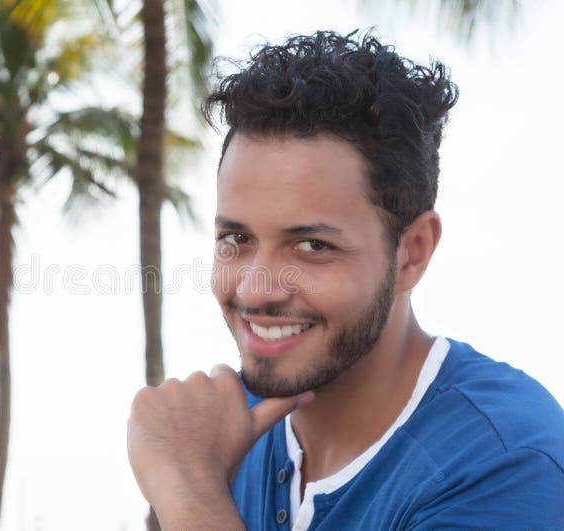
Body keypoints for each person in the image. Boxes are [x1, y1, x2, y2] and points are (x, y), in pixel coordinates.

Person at [126, 30, 564, 530]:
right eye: (237, 239)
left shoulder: (505, 463)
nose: (254, 289)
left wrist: (188, 491)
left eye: (313, 246)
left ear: (412, 252)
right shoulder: (218, 437)